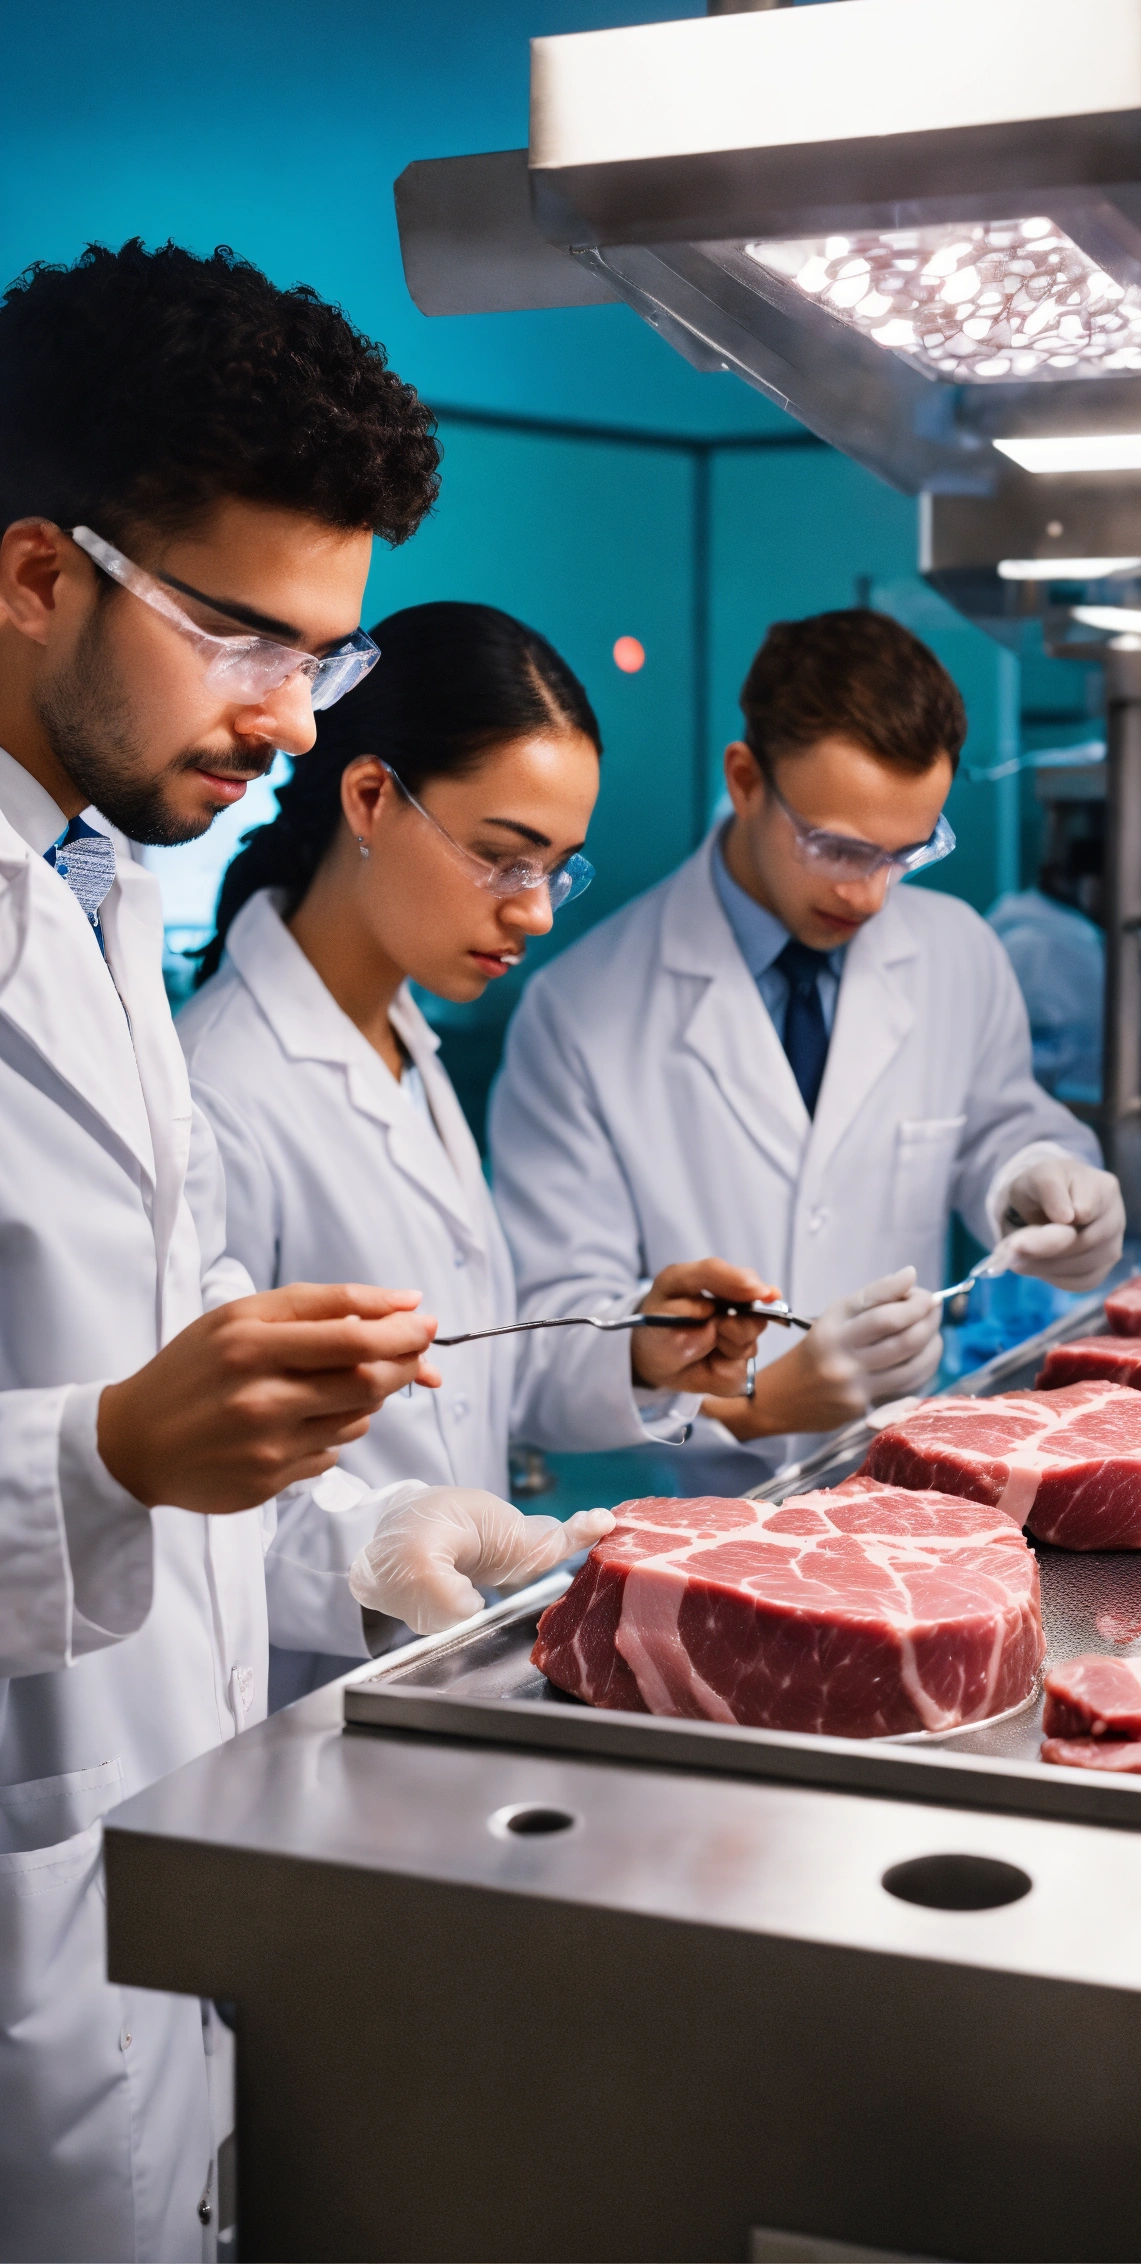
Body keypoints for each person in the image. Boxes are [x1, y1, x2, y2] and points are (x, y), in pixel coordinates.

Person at [0, 242, 612, 2261]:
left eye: (320, 658)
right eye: (241, 638)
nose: (282, 716)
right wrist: (102, 1456)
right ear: (38, 575)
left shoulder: (96, 895)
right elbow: (102, 1445)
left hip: (150, 1881)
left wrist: (345, 1537)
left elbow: (157, 1395)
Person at [179, 601, 774, 1704]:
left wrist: (641, 1351)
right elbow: (188, 1486)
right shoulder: (220, 1088)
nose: (537, 913)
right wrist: (370, 1552)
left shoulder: (401, 1039)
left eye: (557, 869)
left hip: (438, 1674)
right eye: (504, 859)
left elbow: (460, 1378)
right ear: (370, 797)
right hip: (303, 1692)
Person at [491, 607, 1126, 1492]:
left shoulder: (956, 951)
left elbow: (997, 1129)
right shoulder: (580, 1009)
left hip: (904, 1493)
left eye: (906, 854)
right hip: (695, 1512)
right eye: (837, 849)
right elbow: (544, 1346)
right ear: (746, 780)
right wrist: (754, 1397)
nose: (869, 895)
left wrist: (1033, 1181)